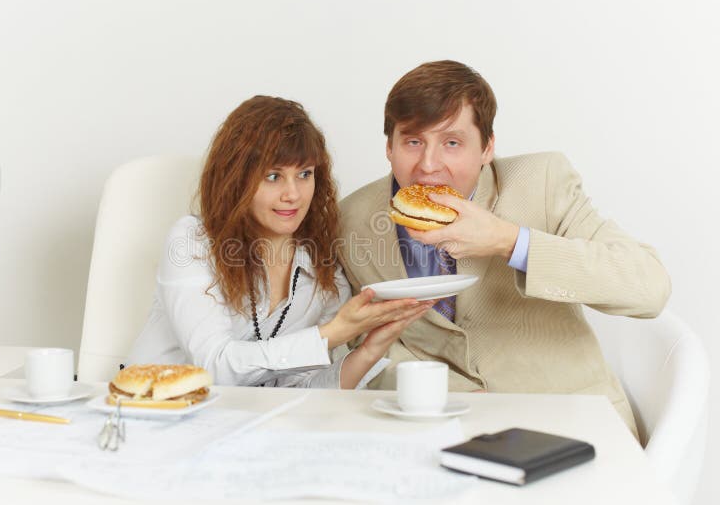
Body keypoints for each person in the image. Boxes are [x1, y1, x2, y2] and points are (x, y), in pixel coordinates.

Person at [338, 60, 671, 437]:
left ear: (487, 148)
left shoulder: (542, 183)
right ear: (389, 147)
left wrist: (508, 241)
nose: (428, 165)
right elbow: (358, 349)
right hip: (438, 436)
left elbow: (649, 287)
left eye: (452, 143)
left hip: (571, 425)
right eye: (413, 141)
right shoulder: (352, 219)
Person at [128, 95, 433, 388]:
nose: (293, 194)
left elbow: (298, 392)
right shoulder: (193, 242)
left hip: (249, 426)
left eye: (304, 174)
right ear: (236, 180)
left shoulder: (322, 267)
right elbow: (214, 366)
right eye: (273, 176)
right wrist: (332, 334)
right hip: (153, 416)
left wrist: (369, 348)